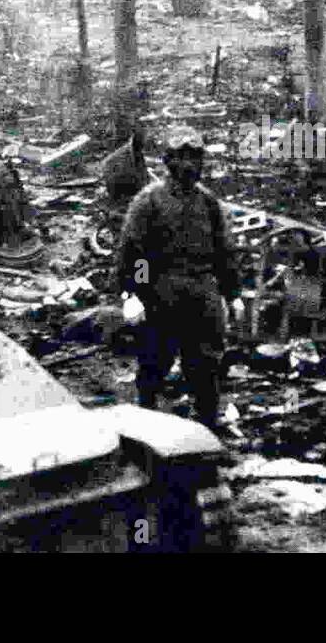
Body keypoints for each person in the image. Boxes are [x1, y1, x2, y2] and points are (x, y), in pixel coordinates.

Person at [116, 126, 241, 430]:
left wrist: (232, 293)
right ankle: (144, 429)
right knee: (153, 365)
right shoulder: (149, 202)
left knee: (206, 368)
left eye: (195, 157)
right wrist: (133, 294)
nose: (189, 165)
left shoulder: (209, 203)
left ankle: (206, 431)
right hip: (161, 293)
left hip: (202, 293)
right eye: (182, 157)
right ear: (168, 161)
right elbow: (135, 252)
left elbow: (224, 251)